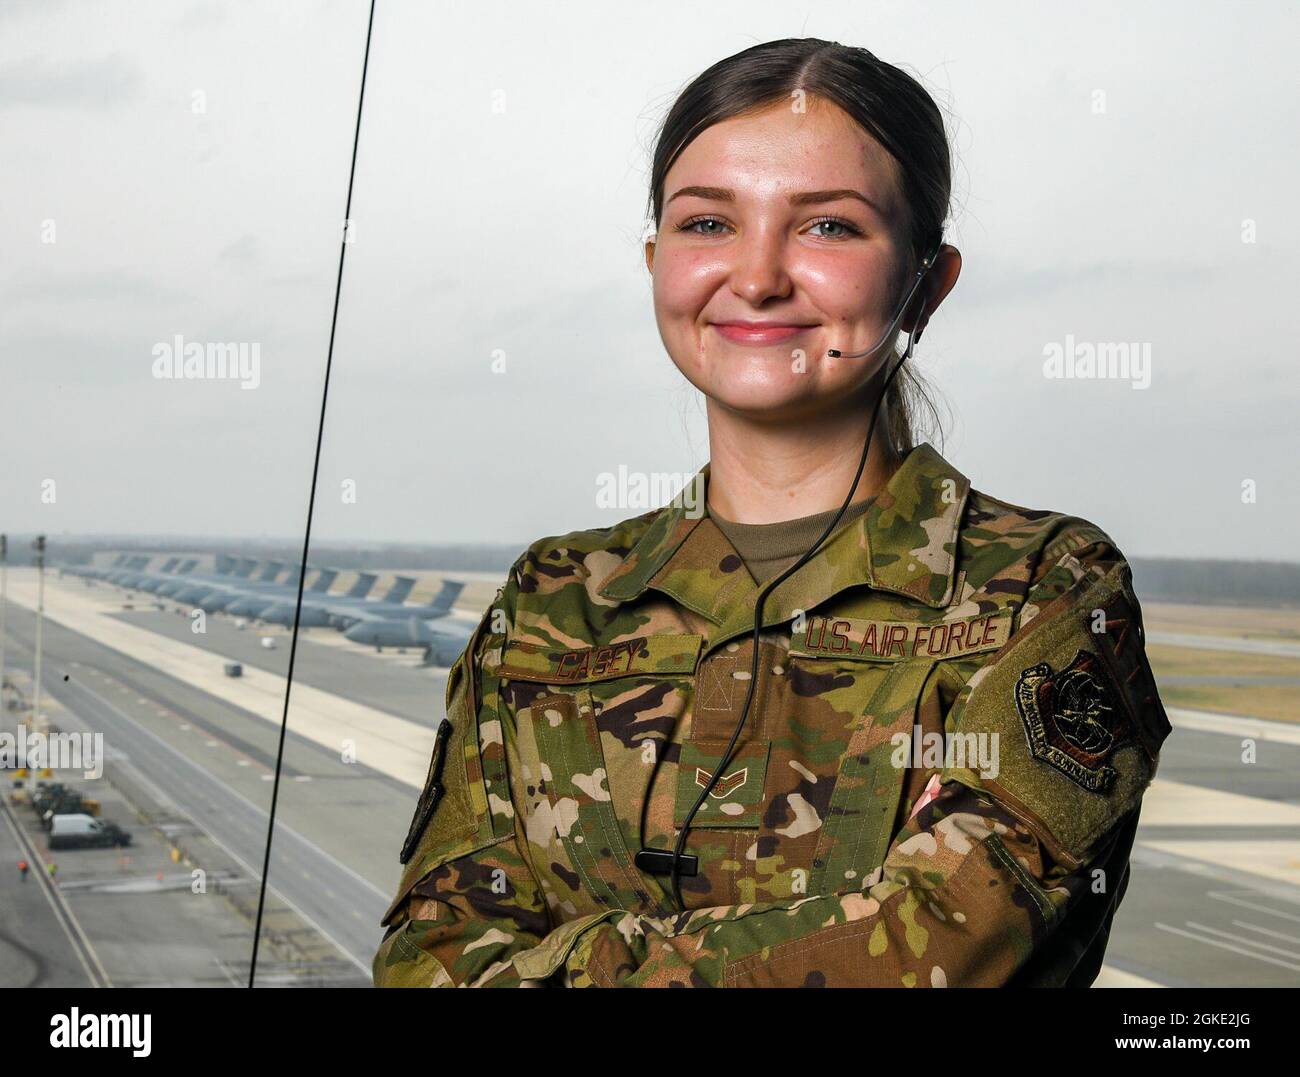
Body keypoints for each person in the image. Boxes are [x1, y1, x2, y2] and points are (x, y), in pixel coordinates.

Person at [374, 37, 1170, 988]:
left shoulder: (1043, 588)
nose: (755, 277)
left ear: (927, 281)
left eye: (828, 227)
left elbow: (944, 947)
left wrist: (567, 962)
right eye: (707, 224)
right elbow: (427, 960)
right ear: (654, 261)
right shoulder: (554, 602)